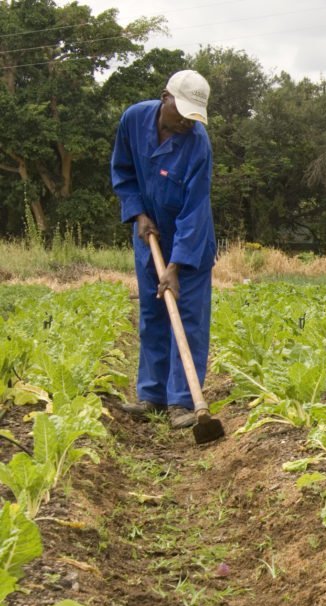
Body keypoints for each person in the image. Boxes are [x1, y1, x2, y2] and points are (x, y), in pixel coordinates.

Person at [111, 70, 216, 429]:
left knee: (186, 316)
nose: (187, 122)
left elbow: (195, 208)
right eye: (182, 112)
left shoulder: (198, 143)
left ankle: (184, 402)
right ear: (164, 98)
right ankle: (153, 396)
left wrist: (175, 266)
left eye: (193, 116)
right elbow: (123, 173)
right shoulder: (134, 119)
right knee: (153, 314)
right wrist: (138, 215)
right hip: (149, 233)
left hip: (190, 239)